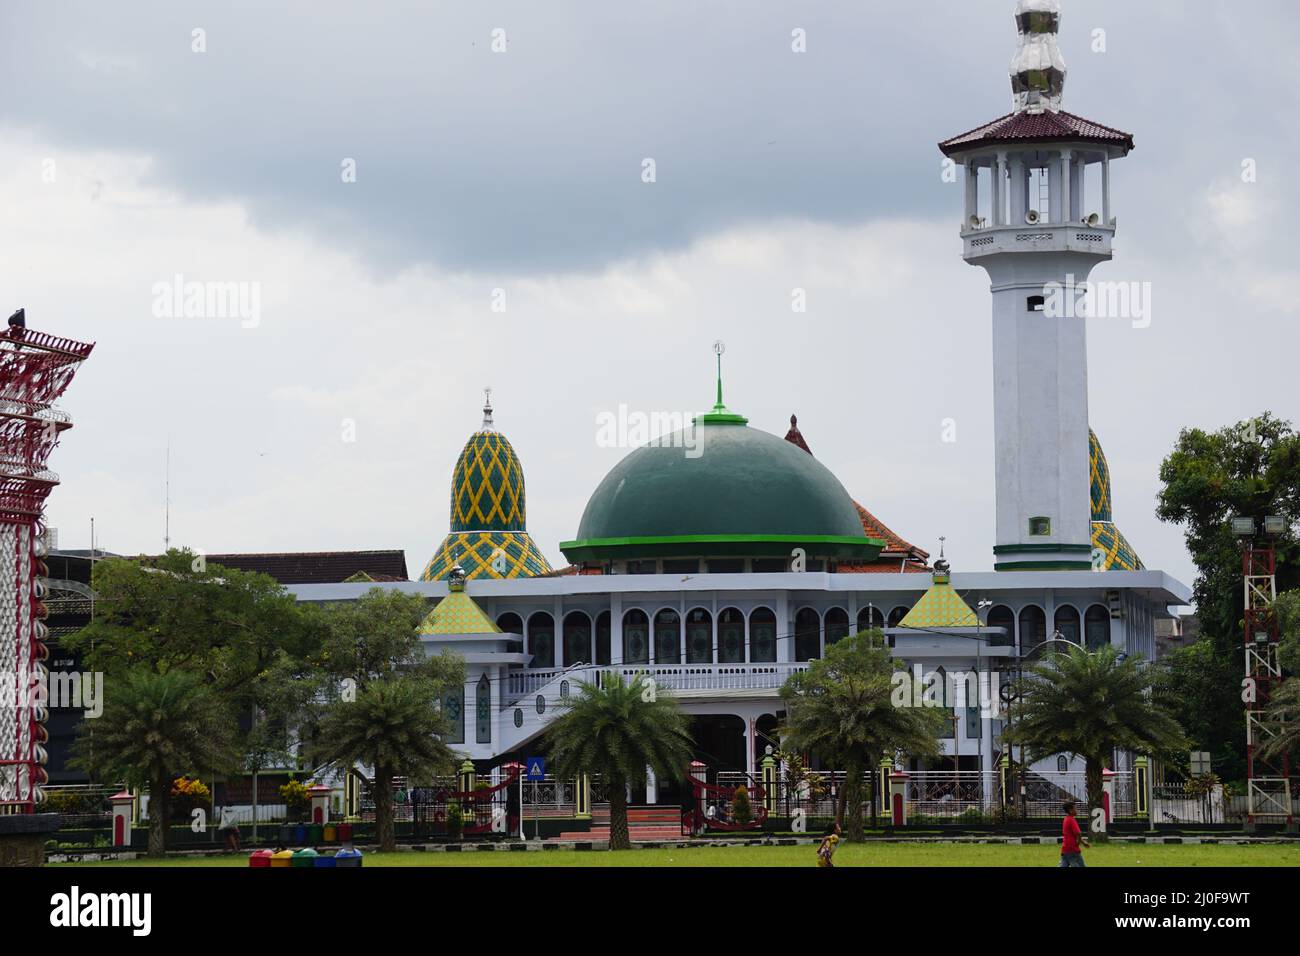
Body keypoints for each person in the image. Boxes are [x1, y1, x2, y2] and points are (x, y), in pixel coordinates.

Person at [1059, 800, 1088, 867]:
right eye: (1075, 808)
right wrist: (1080, 842)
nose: (1077, 810)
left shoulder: (1066, 819)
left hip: (1065, 848)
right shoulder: (1072, 820)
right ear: (1070, 810)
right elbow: (1078, 833)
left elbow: (1074, 834)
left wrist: (1083, 842)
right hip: (1072, 849)